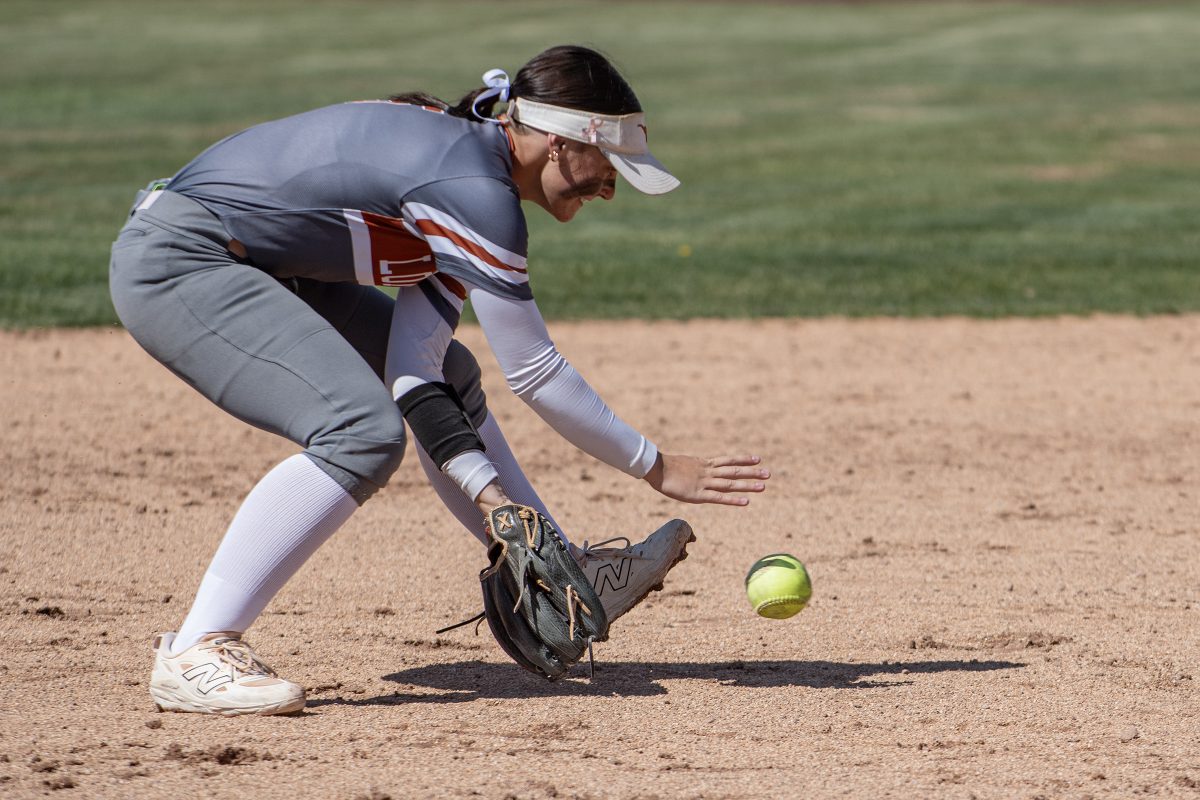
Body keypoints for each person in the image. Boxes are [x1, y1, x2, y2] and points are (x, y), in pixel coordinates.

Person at [109, 45, 770, 716]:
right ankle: (198, 647)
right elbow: (536, 372)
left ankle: (568, 572)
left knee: (450, 373)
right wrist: (656, 467)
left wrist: (493, 502)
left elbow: (417, 372)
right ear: (560, 144)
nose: (609, 188)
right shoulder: (473, 191)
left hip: (261, 268)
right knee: (358, 431)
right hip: (180, 262)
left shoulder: (467, 172)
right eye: (608, 166)